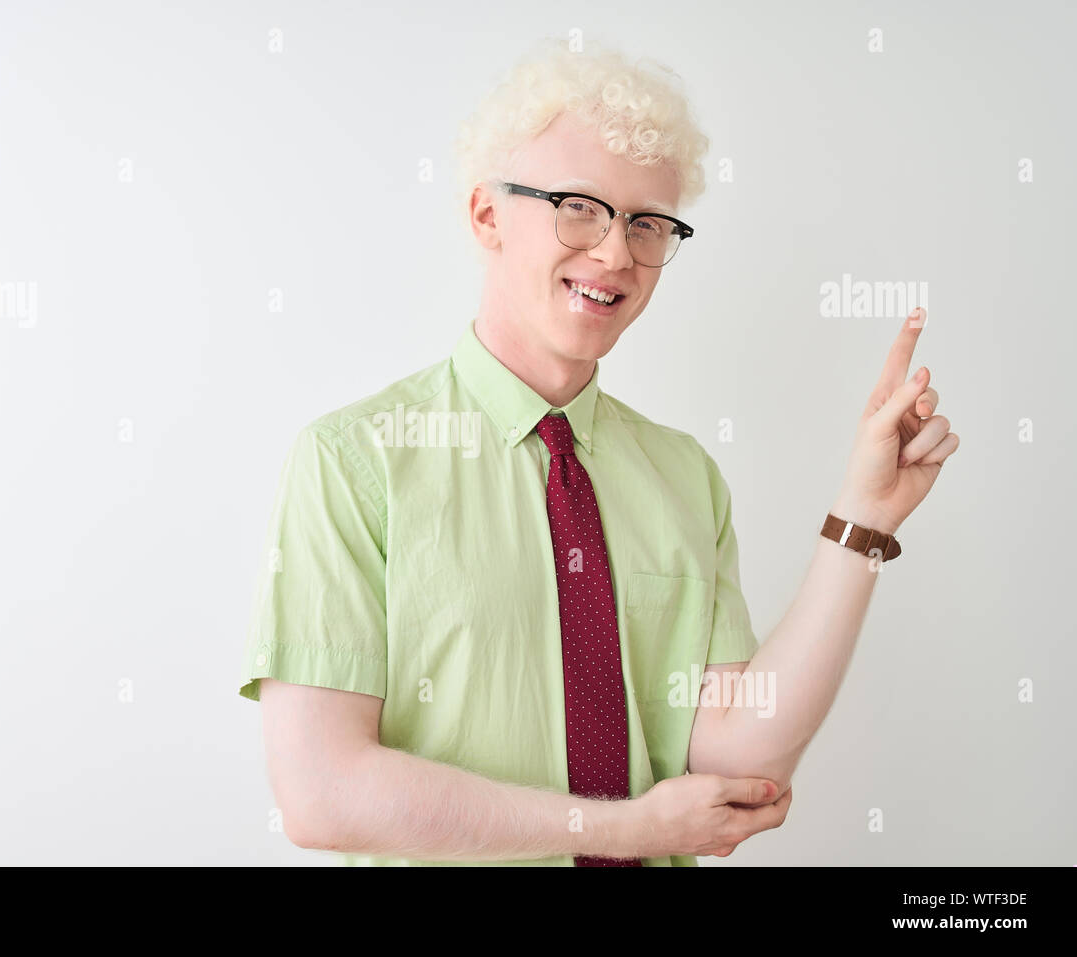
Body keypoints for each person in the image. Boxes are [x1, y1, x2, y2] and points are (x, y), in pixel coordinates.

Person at [235, 38, 958, 866]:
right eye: (578, 205)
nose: (615, 252)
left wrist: (862, 521)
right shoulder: (351, 460)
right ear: (486, 214)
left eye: (647, 223)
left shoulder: (686, 475)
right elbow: (323, 793)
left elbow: (735, 766)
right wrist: (627, 830)